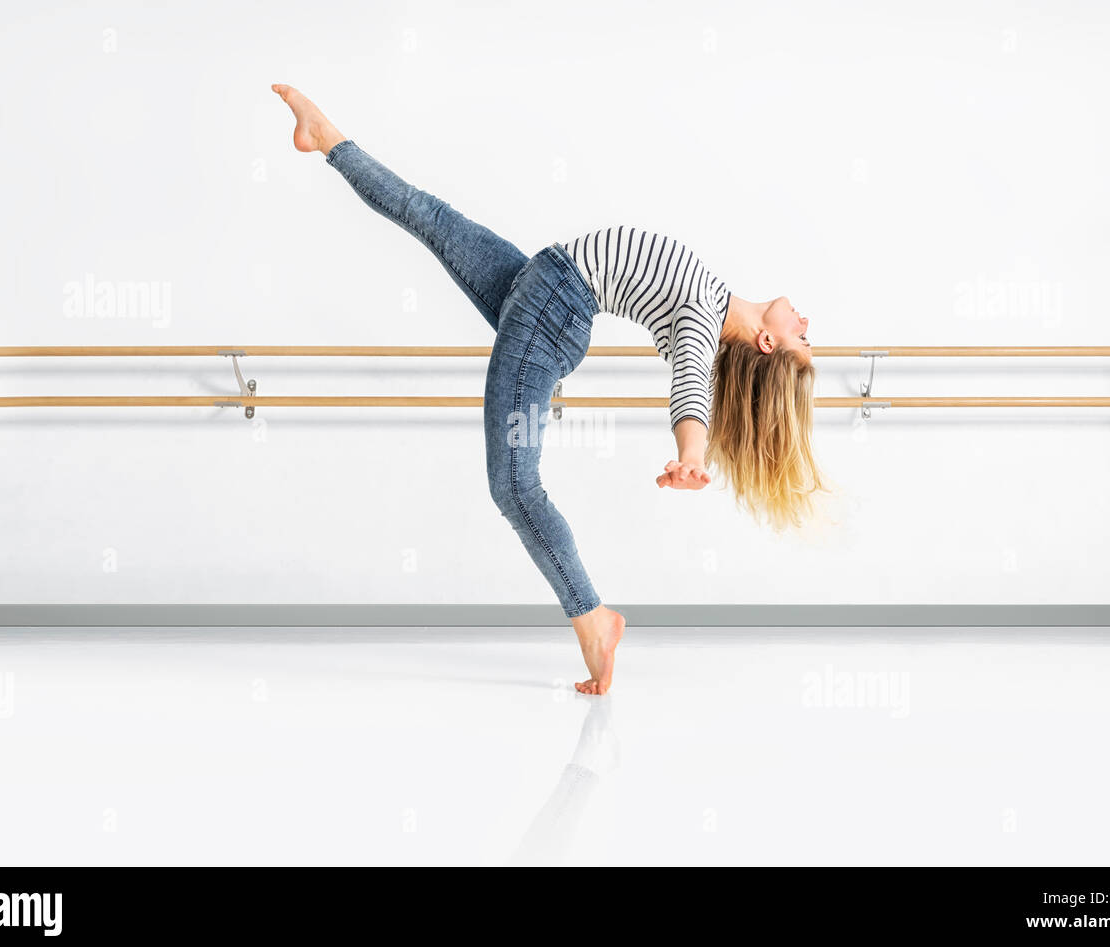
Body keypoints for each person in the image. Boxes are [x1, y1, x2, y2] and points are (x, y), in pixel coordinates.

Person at [272, 85, 825, 696]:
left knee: (512, 483)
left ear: (769, 345)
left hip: (550, 310)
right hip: (542, 284)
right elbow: (695, 379)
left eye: (803, 339)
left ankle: (592, 620)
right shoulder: (711, 300)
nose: (806, 325)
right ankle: (324, 136)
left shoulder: (703, 317)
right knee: (426, 215)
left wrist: (691, 457)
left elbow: (690, 390)